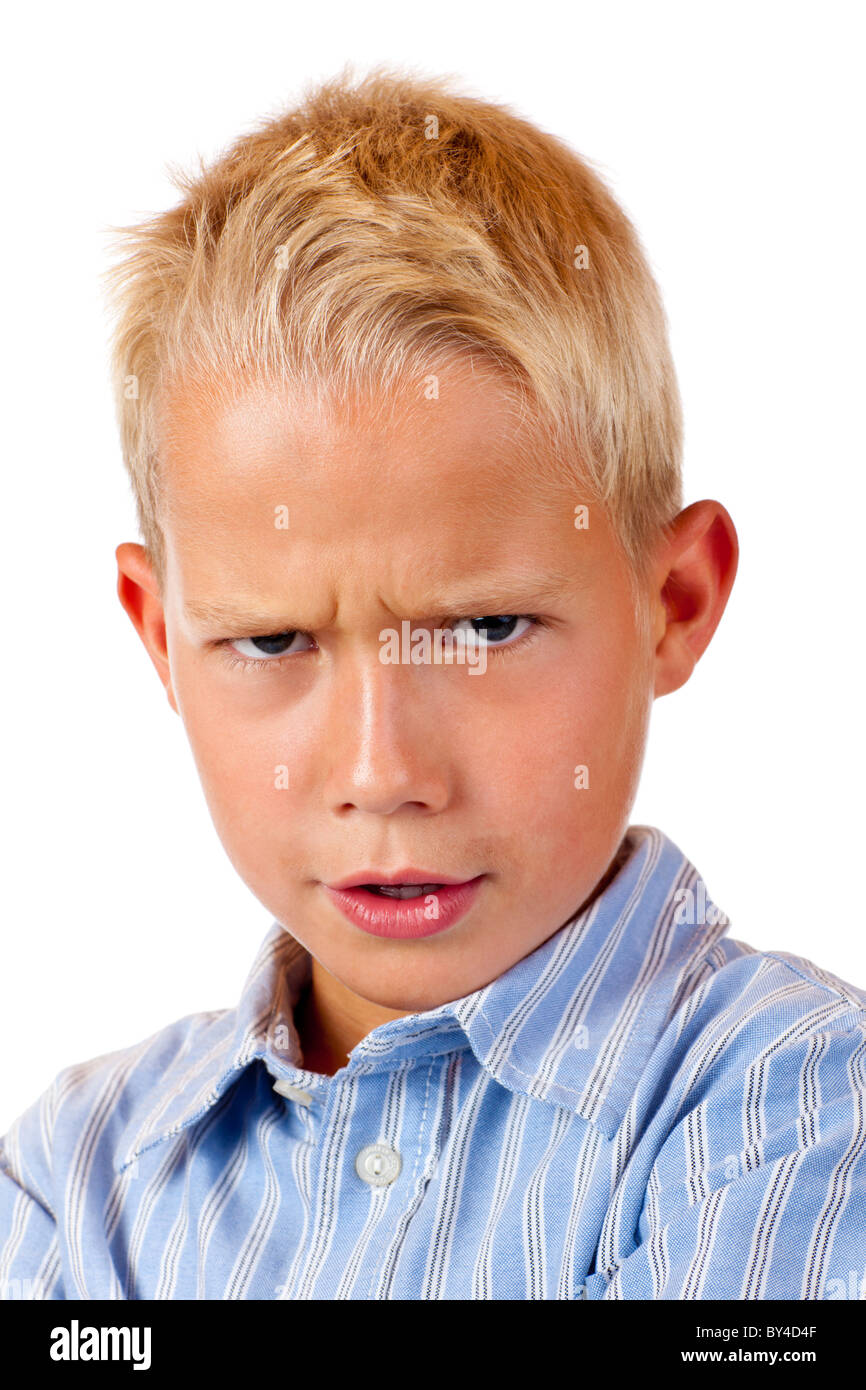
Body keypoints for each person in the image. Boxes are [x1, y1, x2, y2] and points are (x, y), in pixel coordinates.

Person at [2, 65, 864, 1301]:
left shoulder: (792, 1114)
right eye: (272, 642)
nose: (381, 771)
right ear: (159, 640)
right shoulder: (76, 1185)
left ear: (671, 602)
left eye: (485, 626)